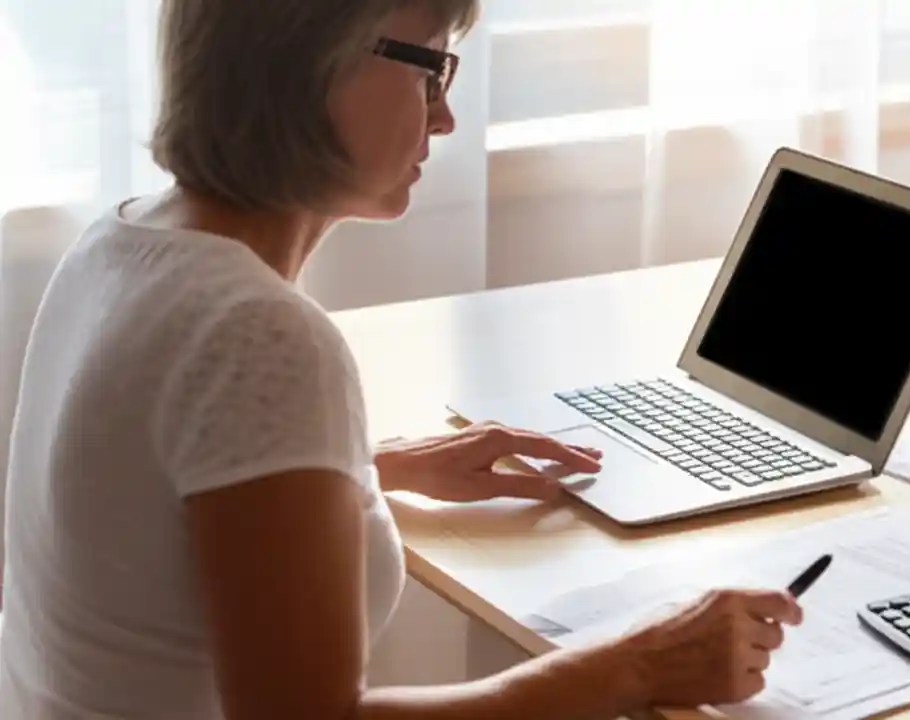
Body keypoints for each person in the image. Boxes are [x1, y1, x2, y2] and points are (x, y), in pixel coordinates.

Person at [0, 1, 804, 718]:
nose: (446, 117)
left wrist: (356, 471)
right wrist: (635, 667)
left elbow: (153, 507)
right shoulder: (258, 333)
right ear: (308, 61)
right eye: (430, 69)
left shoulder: (121, 243)